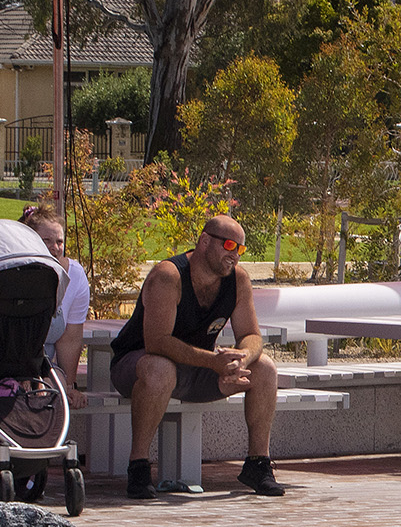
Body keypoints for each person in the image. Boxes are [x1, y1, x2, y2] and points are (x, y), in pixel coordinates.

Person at [111, 214, 285, 499]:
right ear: (205, 241)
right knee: (160, 369)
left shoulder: (237, 280)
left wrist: (242, 356)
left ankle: (258, 463)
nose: (234, 255)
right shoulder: (169, 276)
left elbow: (252, 335)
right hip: (138, 365)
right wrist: (212, 362)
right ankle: (138, 467)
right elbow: (157, 342)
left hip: (196, 371)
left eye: (240, 249)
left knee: (263, 368)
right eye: (229, 245)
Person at [20, 204, 89, 393]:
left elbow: (70, 339)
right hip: (10, 365)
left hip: (47, 366)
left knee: (55, 386)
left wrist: (70, 385)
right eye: (46, 241)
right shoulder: (15, 274)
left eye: (59, 241)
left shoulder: (75, 275)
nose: (54, 248)